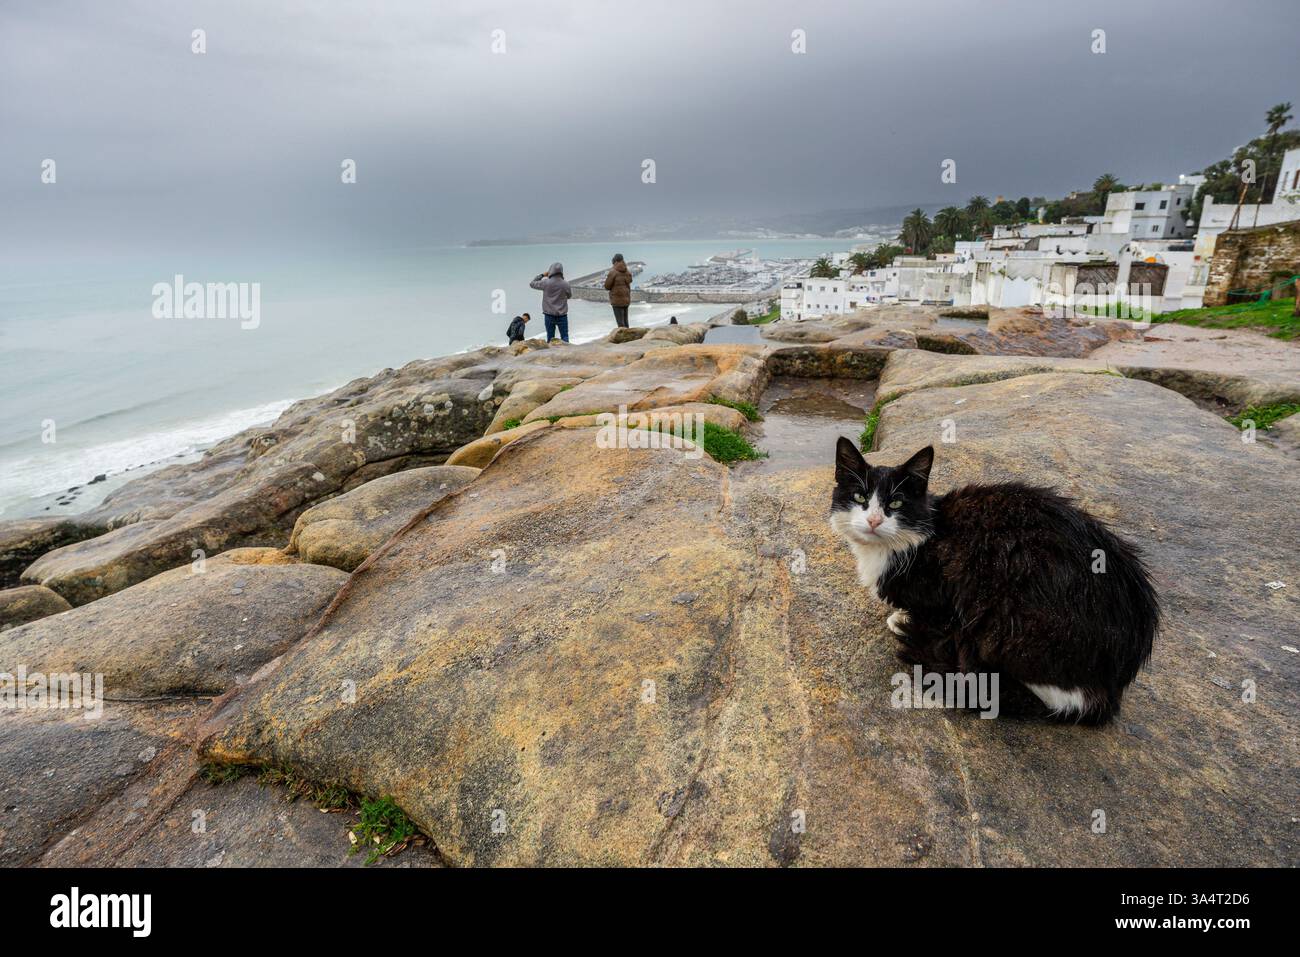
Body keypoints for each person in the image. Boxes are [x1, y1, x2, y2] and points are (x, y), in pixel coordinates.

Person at [530, 263, 571, 342]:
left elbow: (532, 283)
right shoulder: (566, 284)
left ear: (551, 271)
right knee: (565, 336)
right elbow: (569, 296)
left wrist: (542, 275)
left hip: (549, 315)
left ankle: (551, 353)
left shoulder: (546, 282)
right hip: (562, 315)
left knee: (550, 337)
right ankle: (567, 353)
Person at [604, 253, 633, 328]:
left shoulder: (613, 272)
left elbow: (607, 286)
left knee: (620, 323)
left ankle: (624, 338)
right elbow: (630, 280)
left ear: (615, 261)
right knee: (626, 322)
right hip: (626, 299)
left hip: (617, 301)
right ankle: (629, 337)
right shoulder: (626, 271)